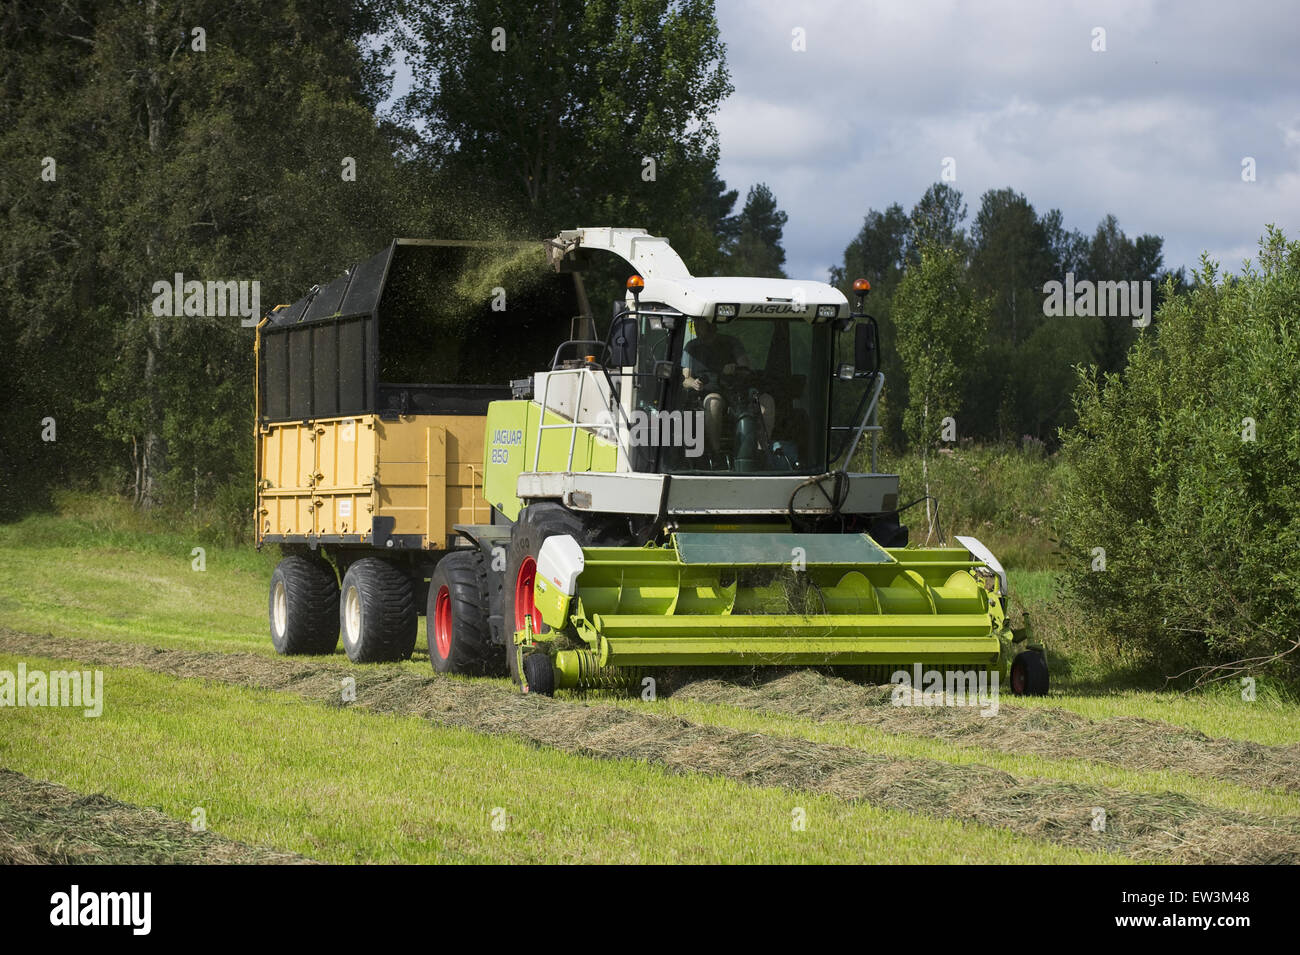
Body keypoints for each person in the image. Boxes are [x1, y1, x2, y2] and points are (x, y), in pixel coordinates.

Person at [681, 319, 775, 457]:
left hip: (737, 390)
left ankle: (762, 452)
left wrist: (735, 368)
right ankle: (716, 453)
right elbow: (685, 379)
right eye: (695, 324)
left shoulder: (731, 343)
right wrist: (694, 383)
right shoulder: (691, 347)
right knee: (713, 402)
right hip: (710, 392)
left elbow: (746, 368)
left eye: (699, 324)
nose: (696, 328)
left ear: (711, 325)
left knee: (767, 401)